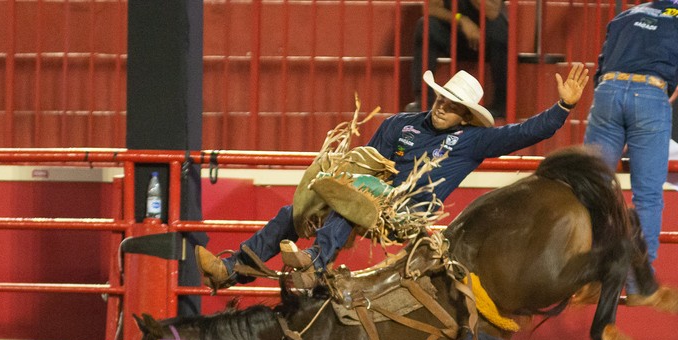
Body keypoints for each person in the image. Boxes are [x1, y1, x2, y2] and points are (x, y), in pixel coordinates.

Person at [196, 64, 590, 290]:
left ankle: (316, 260)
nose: (442, 107)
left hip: (407, 212)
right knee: (291, 211)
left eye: (452, 106)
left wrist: (562, 107)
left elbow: (525, 133)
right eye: (440, 99)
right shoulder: (398, 124)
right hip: (370, 193)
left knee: (356, 198)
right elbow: (367, 164)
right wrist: (330, 187)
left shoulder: (474, 140)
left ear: (466, 115)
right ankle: (232, 270)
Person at [583, 0, 678, 300]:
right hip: (649, 97)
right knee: (647, 196)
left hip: (606, 93)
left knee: (591, 190)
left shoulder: (625, 16)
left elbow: (601, 66)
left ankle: (590, 277)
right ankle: (638, 285)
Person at [405, 0, 509, 118]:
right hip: (454, 38)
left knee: (499, 28)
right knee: (425, 25)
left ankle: (500, 105)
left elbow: (492, 12)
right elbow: (430, 9)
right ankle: (424, 102)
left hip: (486, 41)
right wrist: (461, 19)